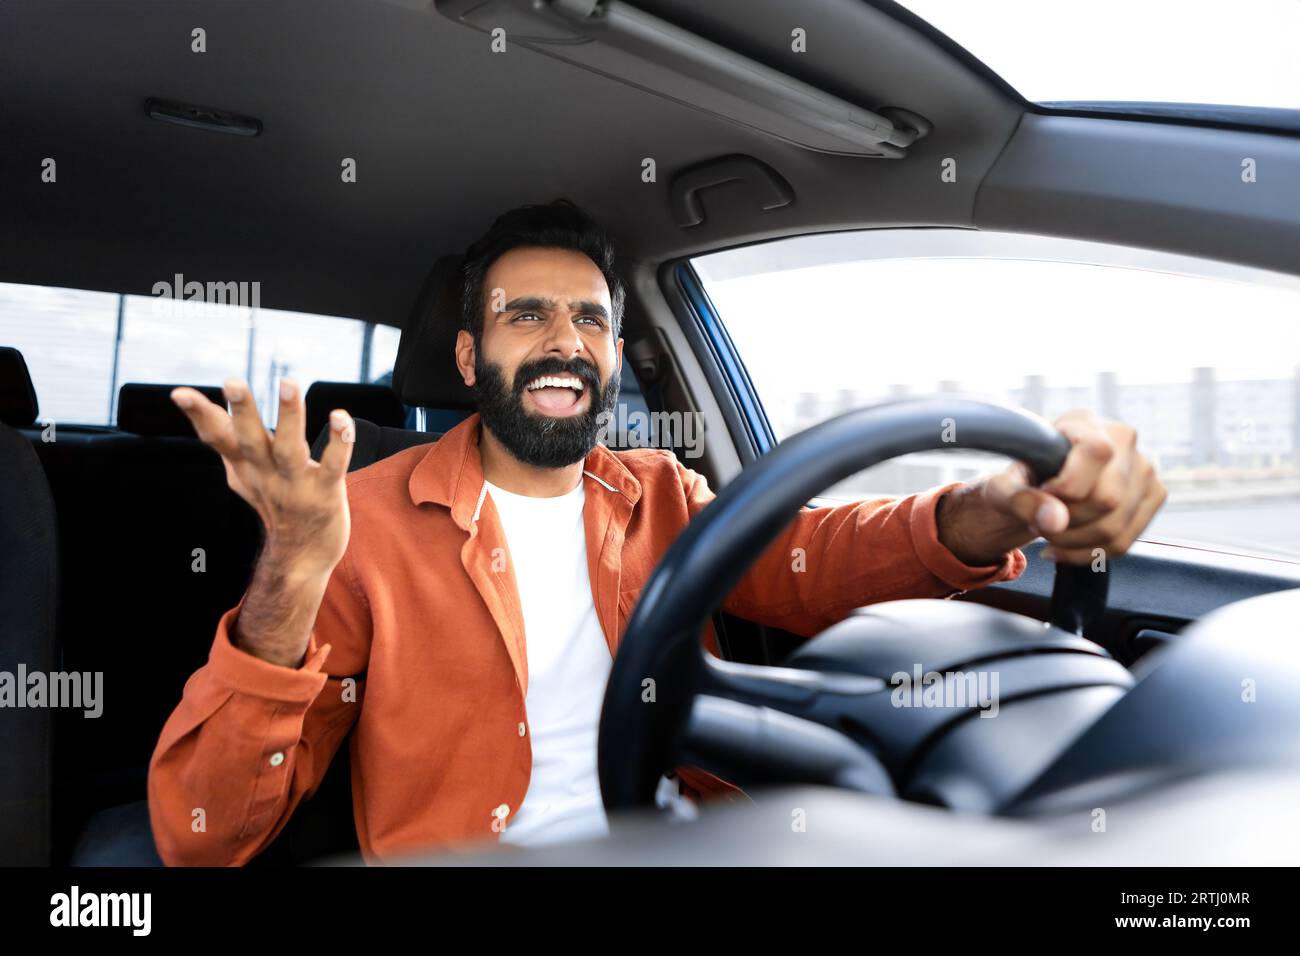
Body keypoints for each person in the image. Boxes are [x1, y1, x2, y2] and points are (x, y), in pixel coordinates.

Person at [148, 199, 1167, 865]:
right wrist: (290, 565)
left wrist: (988, 506)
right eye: (526, 317)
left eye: (589, 321)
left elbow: (819, 556)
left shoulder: (658, 490)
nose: (565, 342)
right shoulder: (356, 523)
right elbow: (202, 831)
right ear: (468, 355)